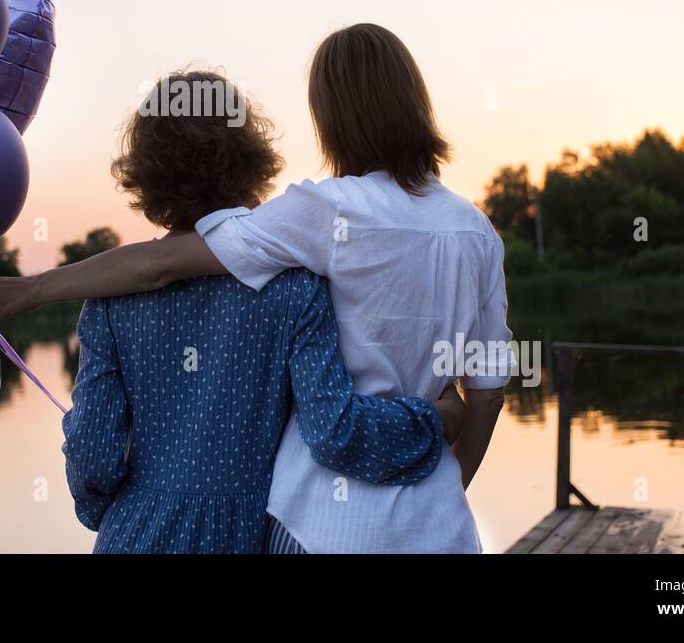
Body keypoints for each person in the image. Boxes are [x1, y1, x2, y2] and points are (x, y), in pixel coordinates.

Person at [0, 25, 513, 553]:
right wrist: (446, 462)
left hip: (281, 526)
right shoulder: (467, 235)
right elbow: (485, 390)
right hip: (377, 527)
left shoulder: (318, 215)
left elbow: (156, 270)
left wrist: (35, 290)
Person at [58, 70, 461, 552]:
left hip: (133, 534)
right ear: (249, 162)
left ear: (146, 172)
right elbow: (334, 432)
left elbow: (92, 456)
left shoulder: (110, 299)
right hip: (246, 535)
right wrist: (434, 419)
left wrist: (116, 510)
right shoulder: (294, 285)